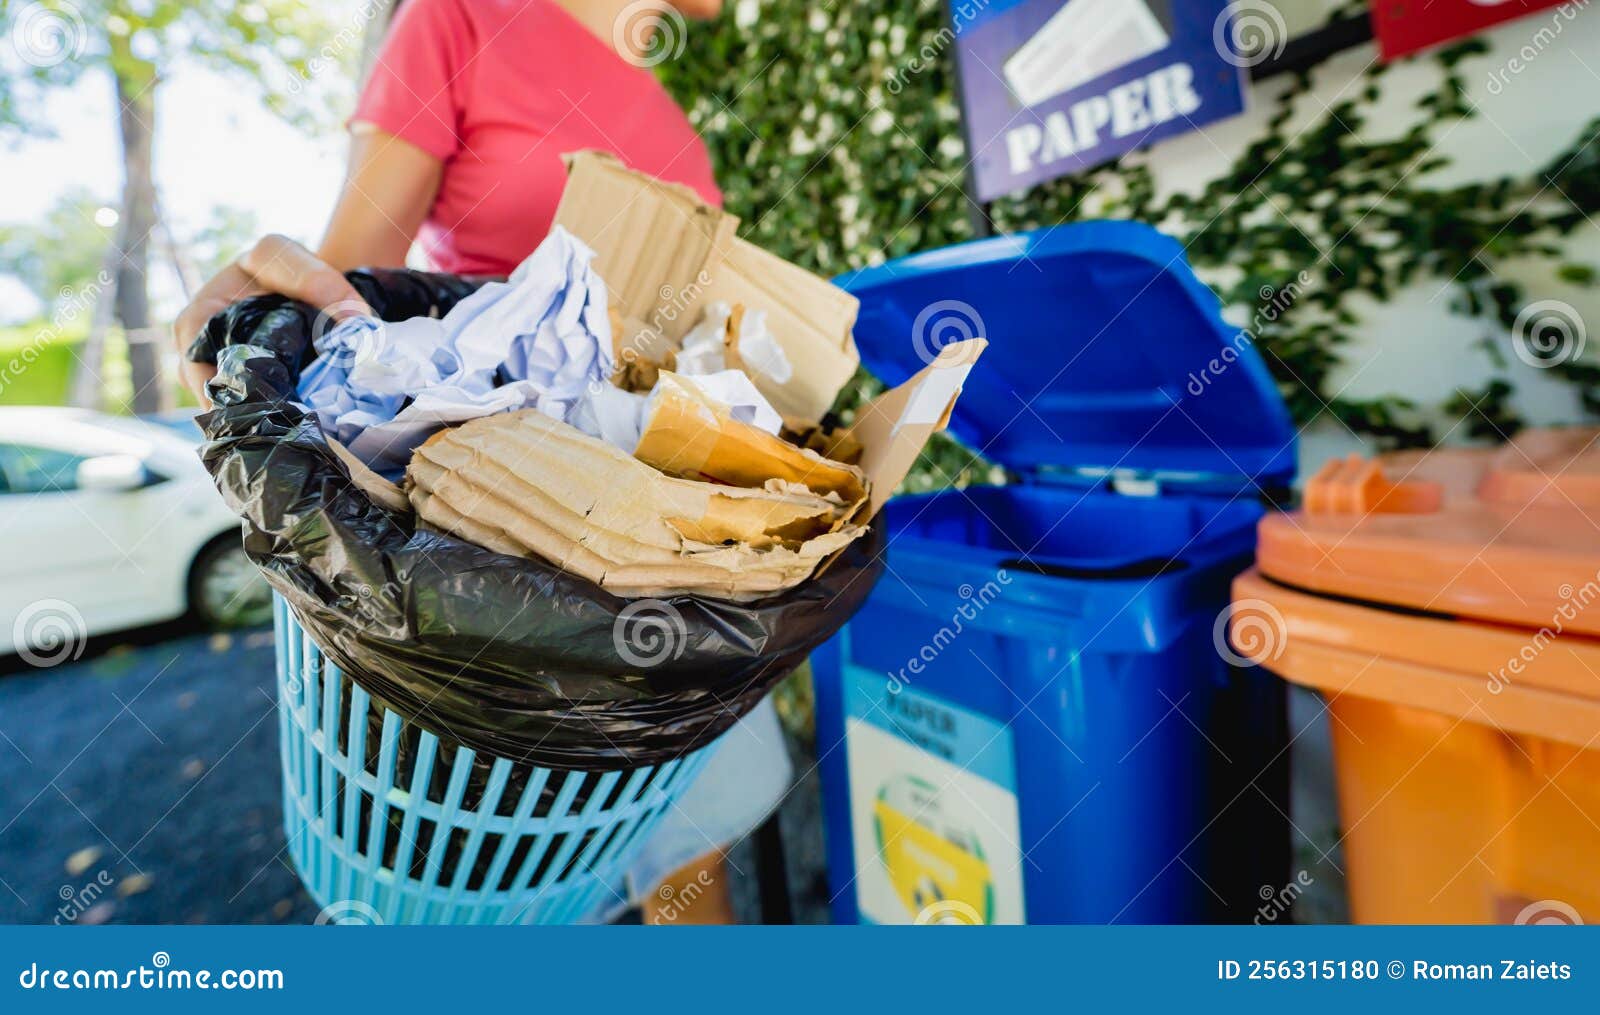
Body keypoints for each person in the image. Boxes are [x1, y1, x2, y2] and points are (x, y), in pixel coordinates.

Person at [172, 0, 791, 925]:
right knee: (502, 883)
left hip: (663, 545)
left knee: (686, 848)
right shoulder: (456, 20)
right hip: (500, 541)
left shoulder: (656, 86)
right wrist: (251, 329)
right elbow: (347, 291)